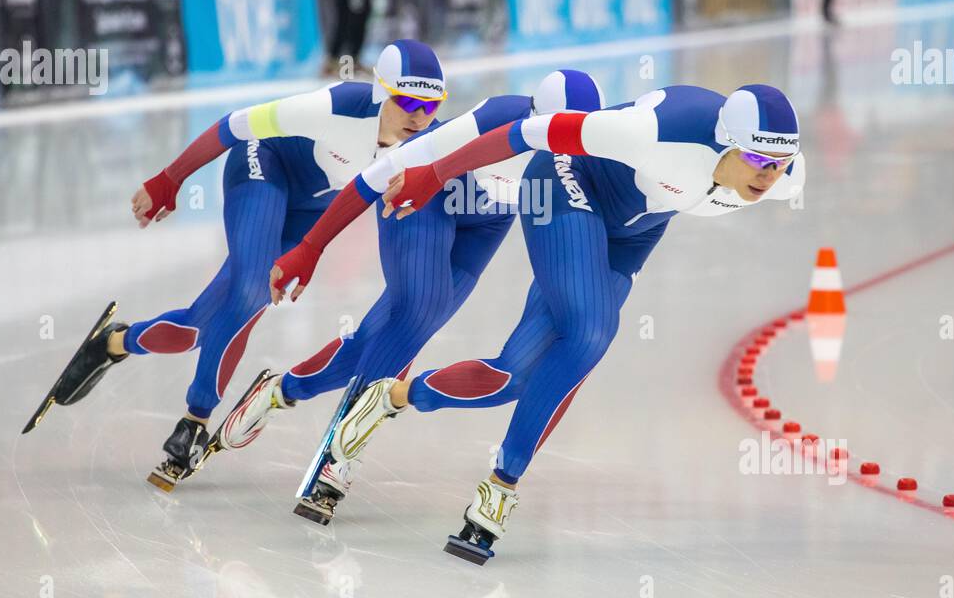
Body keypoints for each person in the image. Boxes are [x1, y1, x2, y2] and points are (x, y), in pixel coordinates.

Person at [272, 83, 806, 561]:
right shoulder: (650, 133)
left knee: (517, 376)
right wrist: (432, 177)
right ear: (726, 141)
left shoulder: (784, 177)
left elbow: (772, 174)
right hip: (565, 185)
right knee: (593, 331)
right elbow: (528, 133)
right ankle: (500, 488)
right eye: (759, 157)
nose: (768, 174)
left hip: (636, 231)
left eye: (780, 163)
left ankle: (391, 399)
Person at [36, 40, 447, 490]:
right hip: (263, 166)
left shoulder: (430, 141)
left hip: (311, 209)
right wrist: (169, 179)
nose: (419, 115)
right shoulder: (337, 105)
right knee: (252, 292)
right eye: (407, 101)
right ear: (380, 92)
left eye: (431, 105)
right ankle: (194, 421)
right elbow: (233, 125)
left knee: (199, 329)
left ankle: (114, 344)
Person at [206, 72, 605, 516]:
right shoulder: (493, 121)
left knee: (390, 336)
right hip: (425, 197)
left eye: (575, 139)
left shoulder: (594, 144)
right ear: (532, 119)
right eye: (553, 136)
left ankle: (282, 390)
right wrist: (311, 246)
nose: (564, 153)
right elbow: (375, 175)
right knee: (418, 311)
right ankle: (340, 457)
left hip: (489, 220)